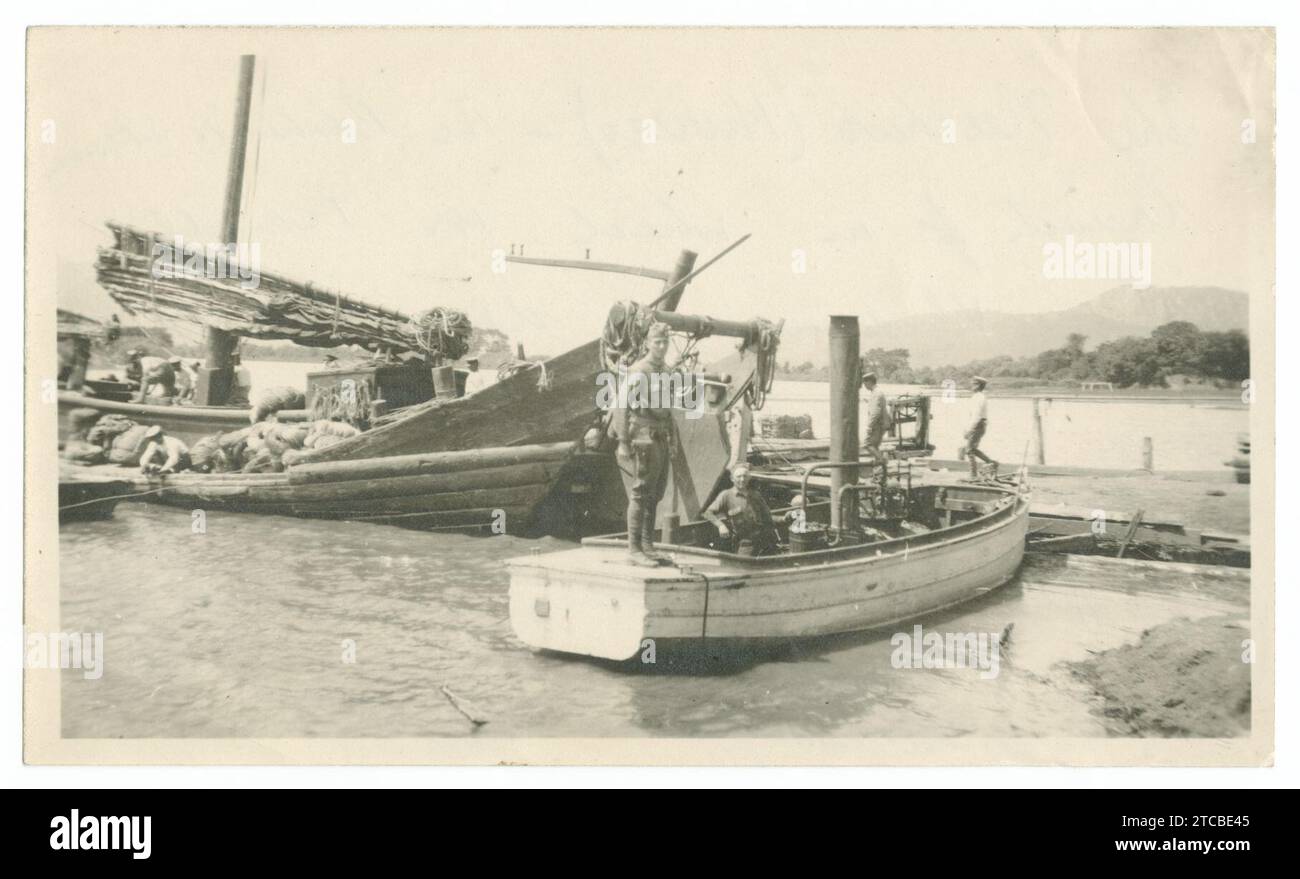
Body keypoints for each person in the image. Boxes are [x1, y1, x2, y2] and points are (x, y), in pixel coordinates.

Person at [617, 321, 676, 566]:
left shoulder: (666, 371)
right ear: (648, 343)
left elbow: (669, 409)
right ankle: (634, 550)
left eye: (665, 342)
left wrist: (671, 439)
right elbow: (620, 407)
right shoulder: (639, 371)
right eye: (657, 342)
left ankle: (647, 546)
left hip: (660, 435)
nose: (662, 346)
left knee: (655, 494)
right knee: (641, 493)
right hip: (642, 435)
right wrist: (623, 442)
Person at [702, 463, 778, 557]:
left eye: (745, 476)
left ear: (749, 478)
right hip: (745, 542)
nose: (742, 479)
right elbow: (707, 513)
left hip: (765, 539)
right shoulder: (726, 495)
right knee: (743, 565)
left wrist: (786, 518)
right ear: (732, 479)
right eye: (738, 476)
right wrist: (720, 526)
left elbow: (768, 517)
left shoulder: (755, 495)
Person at [960, 376, 996, 477]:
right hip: (979, 424)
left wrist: (969, 429)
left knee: (969, 450)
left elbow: (977, 415)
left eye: (973, 384)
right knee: (972, 449)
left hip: (977, 424)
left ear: (979, 385)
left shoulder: (979, 398)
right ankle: (991, 463)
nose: (971, 386)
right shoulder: (977, 397)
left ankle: (973, 474)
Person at [861, 370, 890, 462]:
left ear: (869, 382)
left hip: (878, 424)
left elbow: (876, 412)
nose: (864, 386)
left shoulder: (876, 394)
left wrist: (869, 426)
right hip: (882, 423)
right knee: (875, 445)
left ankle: (882, 461)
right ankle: (880, 466)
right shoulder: (877, 392)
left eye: (865, 383)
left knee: (867, 444)